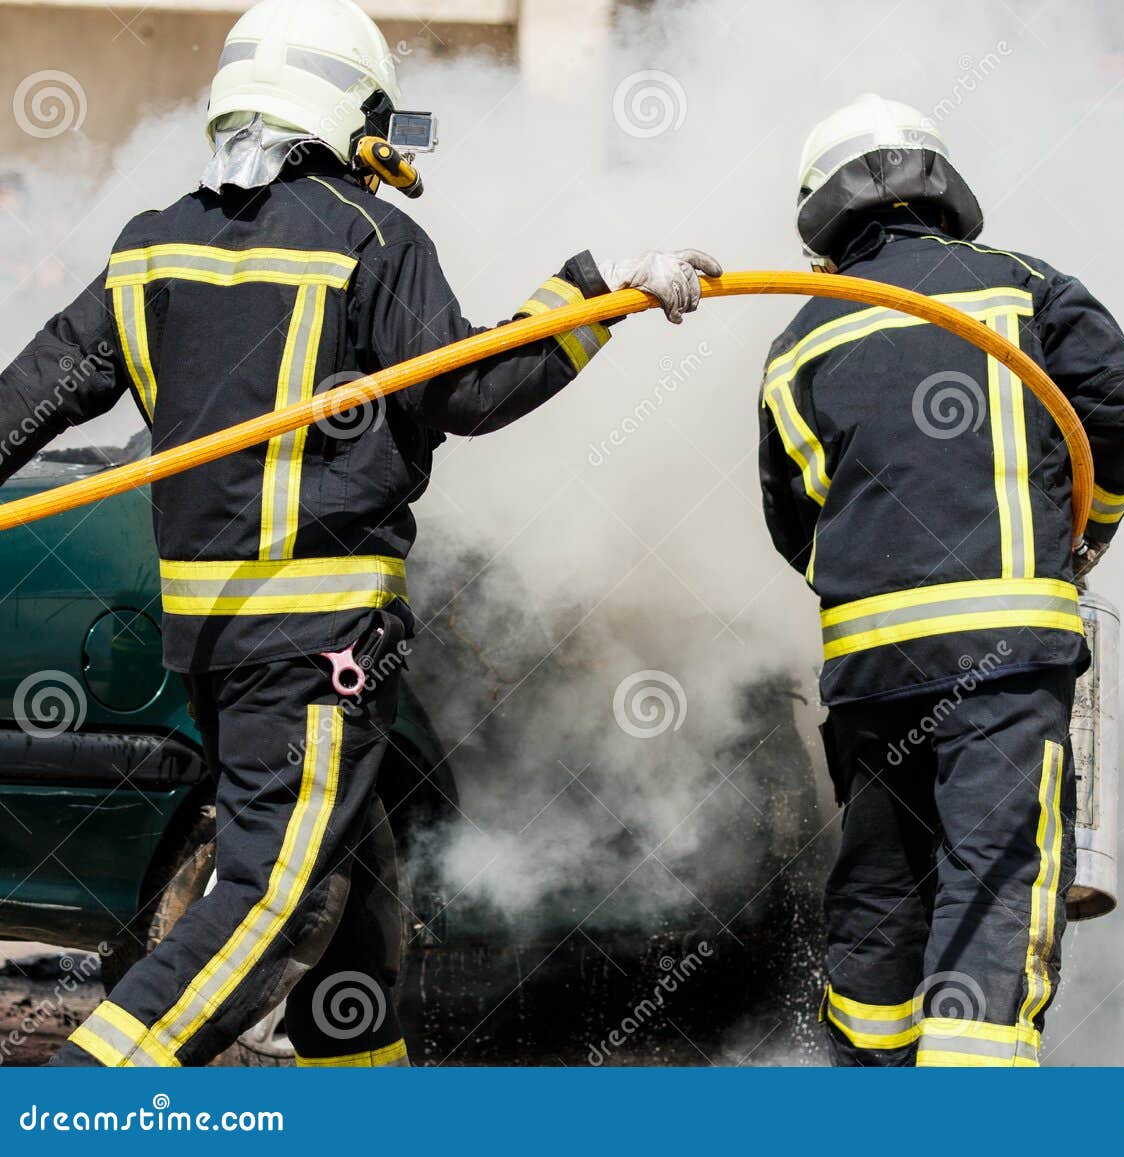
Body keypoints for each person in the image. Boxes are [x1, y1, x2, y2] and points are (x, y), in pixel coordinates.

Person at [0, 0, 719, 1068]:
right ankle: (75, 1101)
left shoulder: (151, 246)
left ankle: (361, 1096)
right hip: (318, 646)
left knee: (355, 885)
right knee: (270, 906)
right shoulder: (369, 238)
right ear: (349, 110)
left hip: (215, 642)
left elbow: (35, 393)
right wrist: (600, 301)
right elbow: (469, 388)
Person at [757, 94, 1124, 1066]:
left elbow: (793, 515)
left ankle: (871, 1082)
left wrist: (874, 578)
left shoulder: (799, 341)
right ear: (943, 186)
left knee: (881, 885)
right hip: (1007, 654)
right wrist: (1084, 527)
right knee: (993, 881)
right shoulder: (1022, 287)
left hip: (870, 666)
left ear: (822, 217)